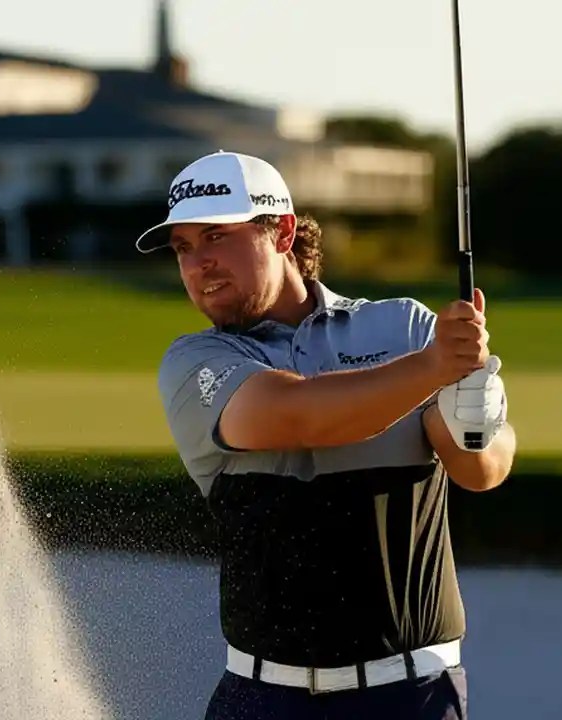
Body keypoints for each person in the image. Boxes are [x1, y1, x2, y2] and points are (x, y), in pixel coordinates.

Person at [135, 150, 516, 720]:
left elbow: (480, 469)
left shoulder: (405, 327)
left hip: (411, 695)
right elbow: (297, 415)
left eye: (216, 236)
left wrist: (477, 424)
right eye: (183, 247)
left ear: (283, 233)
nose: (198, 264)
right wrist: (433, 368)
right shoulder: (196, 361)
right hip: (265, 698)